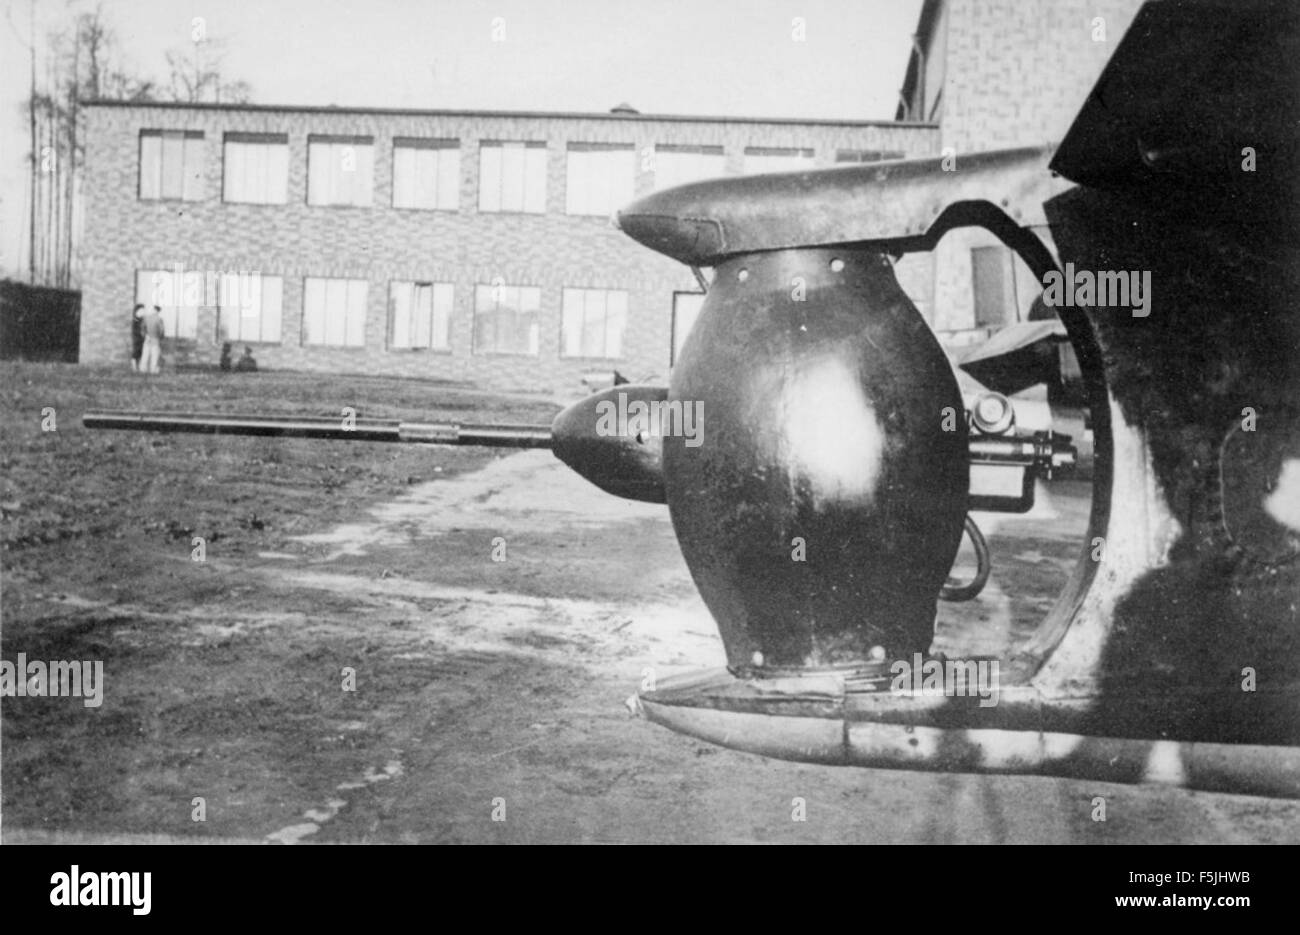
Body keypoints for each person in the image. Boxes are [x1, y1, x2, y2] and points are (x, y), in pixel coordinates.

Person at [139, 305, 165, 375]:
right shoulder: (159, 319)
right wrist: (160, 337)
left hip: (147, 338)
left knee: (145, 354)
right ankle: (153, 370)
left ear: (153, 310)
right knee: (154, 355)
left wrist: (145, 336)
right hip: (155, 339)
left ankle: (143, 369)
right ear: (158, 311)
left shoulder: (146, 318)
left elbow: (142, 328)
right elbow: (161, 330)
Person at [130, 304, 145, 371]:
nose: (143, 312)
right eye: (141, 310)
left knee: (141, 353)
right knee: (136, 352)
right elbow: (135, 330)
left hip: (141, 339)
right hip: (137, 338)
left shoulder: (142, 319)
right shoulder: (135, 320)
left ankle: (138, 367)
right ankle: (134, 367)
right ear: (137, 311)